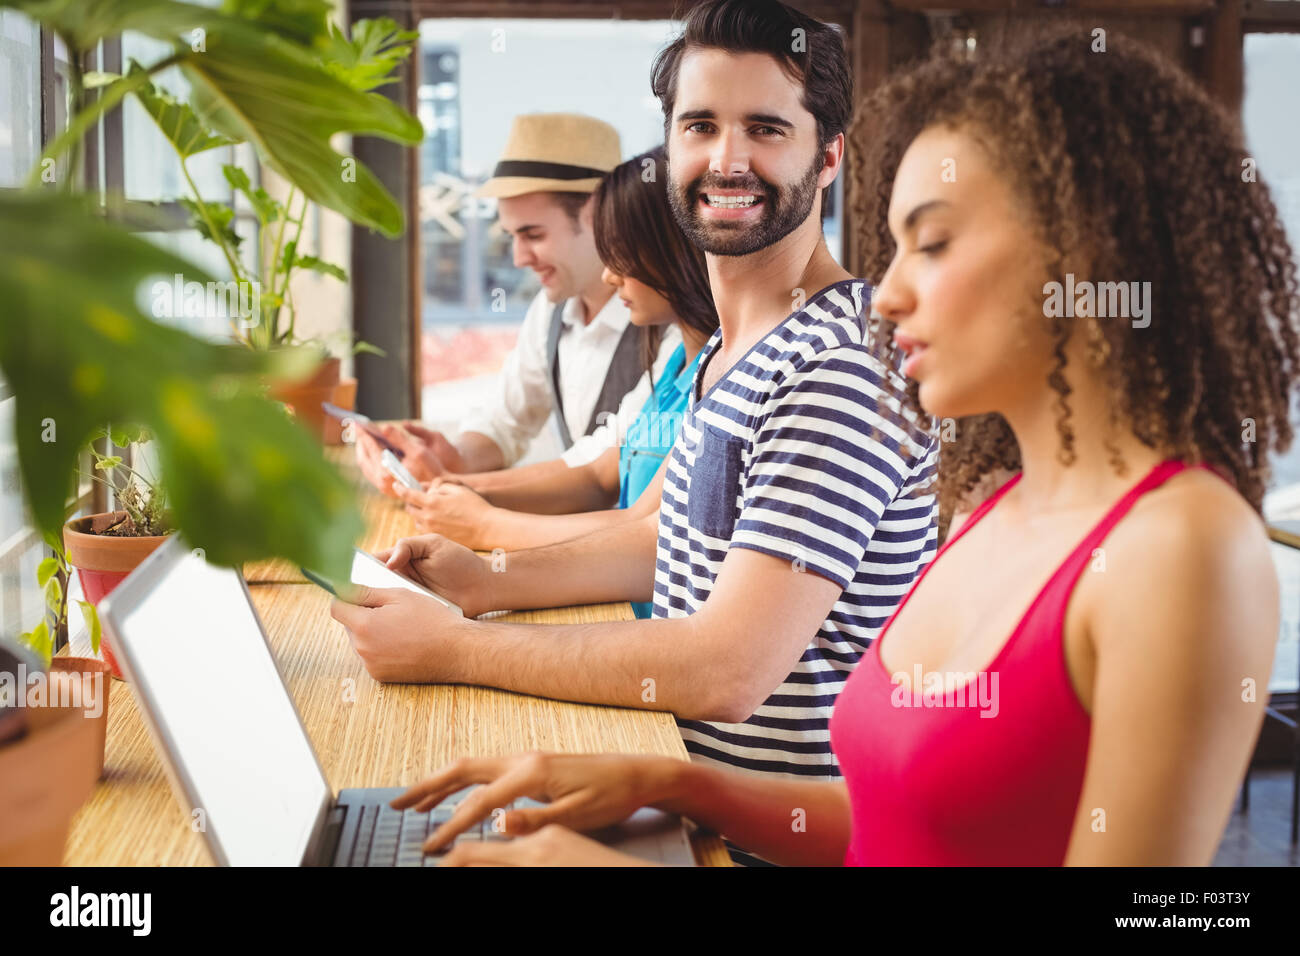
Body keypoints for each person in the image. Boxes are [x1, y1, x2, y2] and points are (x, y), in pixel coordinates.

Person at [381, 29, 1298, 867]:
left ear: (1086, 254)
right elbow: (909, 820)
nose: (887, 297)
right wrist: (681, 784)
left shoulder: (1184, 547)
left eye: (931, 245)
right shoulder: (993, 508)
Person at [329, 0, 938, 866]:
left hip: (765, 846)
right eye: (702, 125)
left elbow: (727, 669)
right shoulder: (737, 345)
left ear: (828, 154)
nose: (728, 160)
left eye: (766, 128)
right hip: (678, 801)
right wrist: (485, 579)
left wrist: (457, 648)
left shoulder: (837, 363)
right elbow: (665, 543)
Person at [395, 146, 720, 619]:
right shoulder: (673, 363)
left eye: (533, 234)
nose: (612, 274)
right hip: (610, 605)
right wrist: (455, 486)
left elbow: (638, 530)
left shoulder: (714, 367)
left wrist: (485, 527)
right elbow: (593, 469)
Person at [354, 113, 678, 500]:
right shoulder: (551, 308)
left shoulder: (671, 322)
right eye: (511, 236)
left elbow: (603, 464)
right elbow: (507, 420)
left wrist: (450, 486)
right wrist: (452, 459)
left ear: (598, 214)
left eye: (533, 235)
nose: (519, 258)